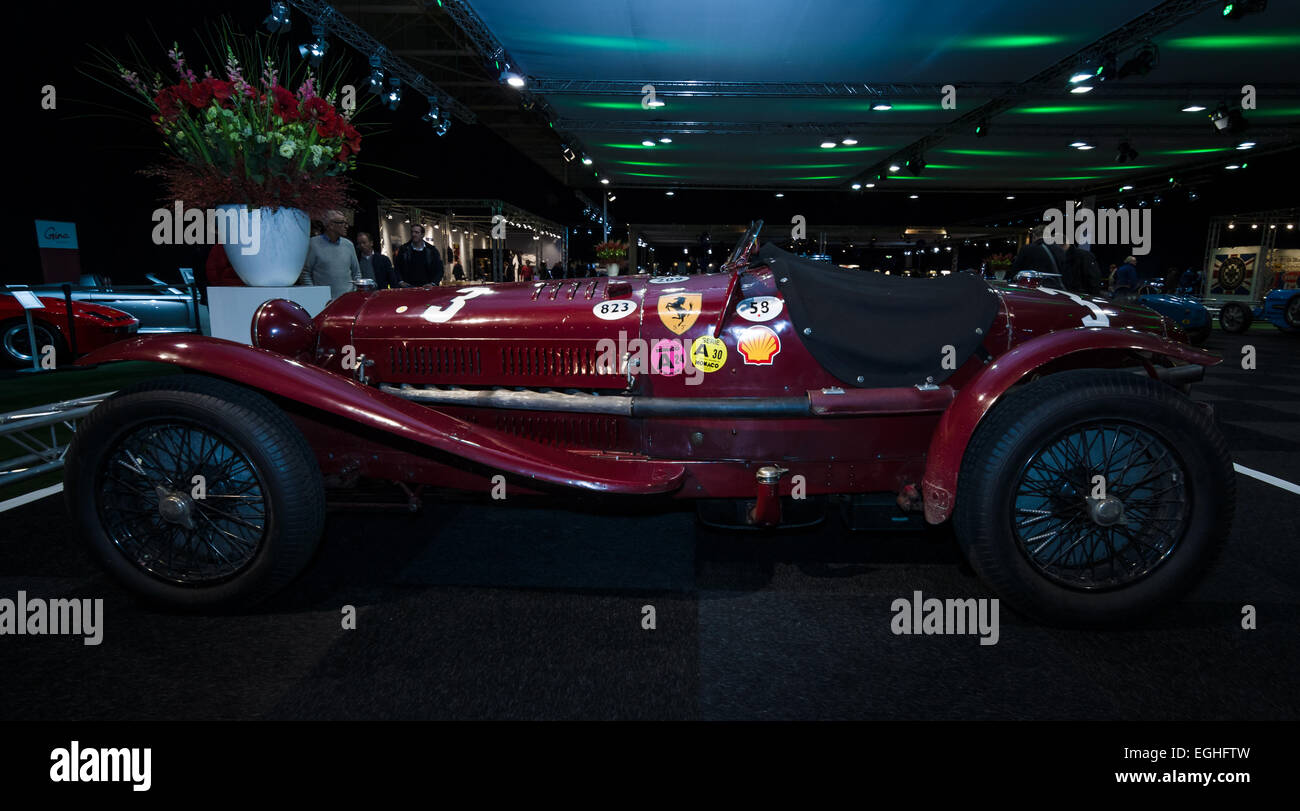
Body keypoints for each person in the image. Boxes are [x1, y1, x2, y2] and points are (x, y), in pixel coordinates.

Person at [299, 210, 361, 299]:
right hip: (323, 301)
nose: (346, 226)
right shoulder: (313, 244)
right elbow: (305, 273)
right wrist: (314, 294)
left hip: (347, 300)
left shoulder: (348, 245)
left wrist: (353, 293)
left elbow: (357, 273)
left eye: (346, 223)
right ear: (331, 225)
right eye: (342, 223)